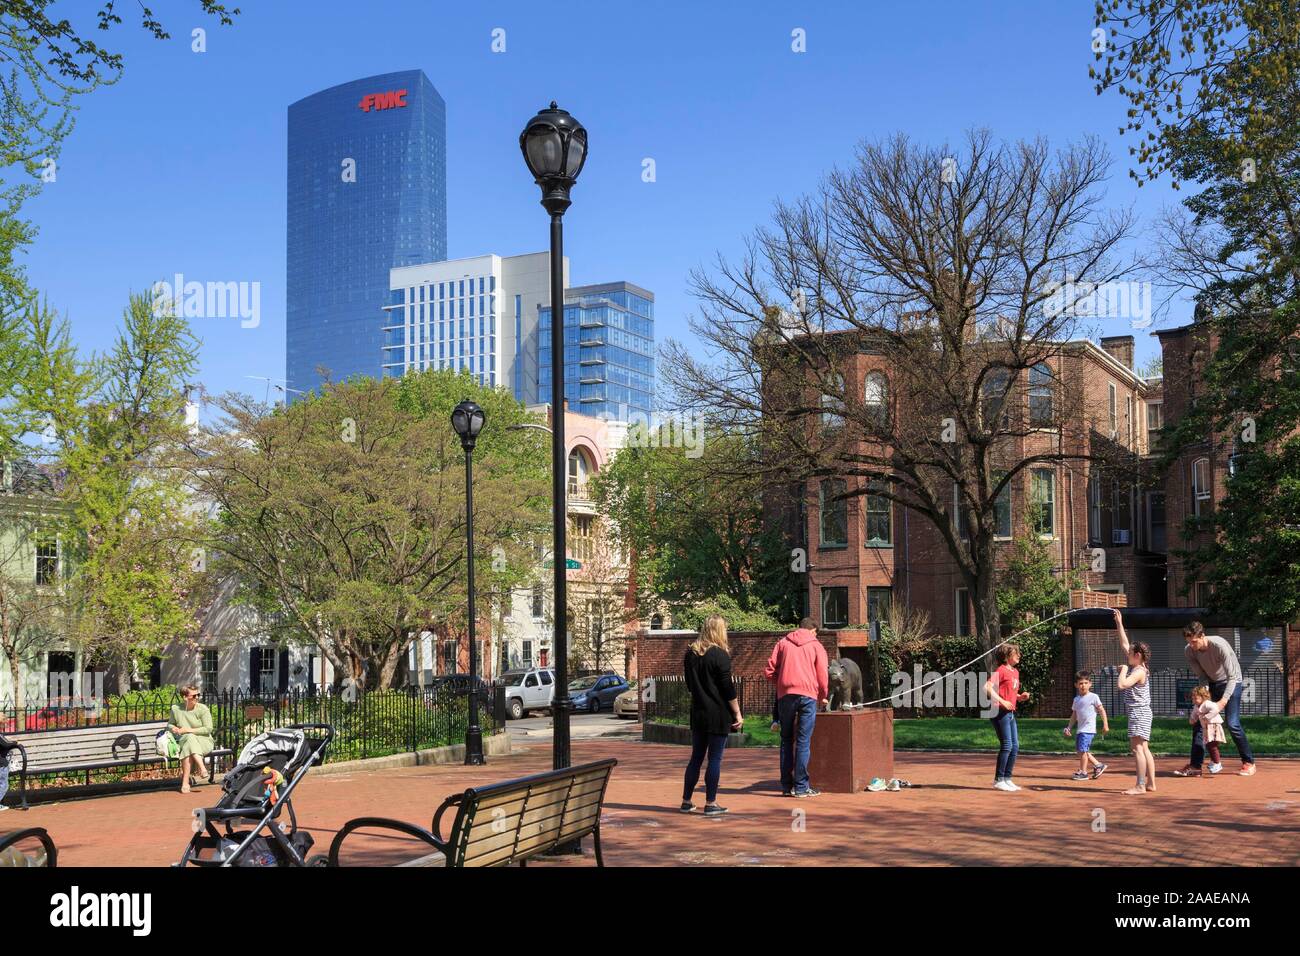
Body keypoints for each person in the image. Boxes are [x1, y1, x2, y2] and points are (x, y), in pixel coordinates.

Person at [680, 615, 742, 816]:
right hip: (718, 713)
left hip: (698, 711)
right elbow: (728, 688)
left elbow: (690, 685)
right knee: (714, 759)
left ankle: (686, 801)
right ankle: (711, 803)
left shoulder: (691, 654)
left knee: (696, 757)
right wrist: (737, 712)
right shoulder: (720, 655)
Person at [1176, 621, 1256, 777]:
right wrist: (1203, 698)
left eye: (1194, 641)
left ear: (1202, 636)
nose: (1191, 645)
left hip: (1232, 682)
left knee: (1232, 723)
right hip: (1211, 683)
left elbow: (1232, 676)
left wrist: (1222, 702)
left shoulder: (1219, 646)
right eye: (1189, 642)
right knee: (1199, 722)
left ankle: (1249, 762)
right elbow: (1202, 676)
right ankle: (1195, 765)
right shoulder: (1189, 651)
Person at [765, 617, 828, 798]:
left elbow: (769, 671)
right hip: (808, 695)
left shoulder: (782, 643)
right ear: (812, 630)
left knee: (786, 739)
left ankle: (786, 786)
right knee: (803, 741)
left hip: (786, 695)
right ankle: (801, 787)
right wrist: (823, 695)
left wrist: (782, 683)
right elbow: (822, 673)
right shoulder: (816, 646)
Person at [1111, 609, 1156, 794]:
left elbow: (1122, 685)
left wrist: (1122, 670)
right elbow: (1125, 644)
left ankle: (1140, 785)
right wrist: (1119, 623)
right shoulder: (1140, 665)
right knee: (1144, 748)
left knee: (1137, 749)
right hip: (1142, 712)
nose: (1126, 653)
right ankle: (1151, 784)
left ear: (1137, 655)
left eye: (1130, 653)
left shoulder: (1138, 671)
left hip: (1139, 712)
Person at [985, 644, 1030, 791]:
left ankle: (1007, 778)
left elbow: (1008, 692)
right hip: (999, 711)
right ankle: (998, 780)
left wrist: (1019, 697)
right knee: (1007, 745)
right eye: (1016, 653)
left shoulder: (1015, 672)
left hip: (1009, 713)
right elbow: (987, 687)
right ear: (1006, 656)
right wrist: (1002, 701)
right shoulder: (1001, 670)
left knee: (1015, 746)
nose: (1019, 655)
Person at [170, 684, 215, 794]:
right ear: (185, 697)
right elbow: (170, 724)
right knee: (189, 740)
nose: (197, 697)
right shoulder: (176, 709)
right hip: (184, 740)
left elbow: (208, 729)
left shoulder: (203, 709)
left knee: (189, 742)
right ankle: (202, 768)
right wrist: (173, 728)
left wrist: (188, 730)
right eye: (194, 696)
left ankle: (185, 783)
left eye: (198, 695)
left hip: (203, 740)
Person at [1065, 670, 1109, 781]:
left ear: (1090, 684)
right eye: (1080, 683)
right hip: (1080, 729)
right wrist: (1069, 727)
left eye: (1085, 683)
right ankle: (1098, 765)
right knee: (1081, 751)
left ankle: (1083, 772)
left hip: (1088, 729)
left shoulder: (1094, 697)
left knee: (1083, 751)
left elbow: (1101, 710)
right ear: (1076, 685)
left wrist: (1105, 724)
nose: (1083, 685)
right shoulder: (1076, 699)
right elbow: (1074, 715)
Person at [1189, 685, 1226, 773]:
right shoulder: (1197, 706)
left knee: (1212, 745)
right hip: (1207, 728)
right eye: (1193, 699)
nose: (1194, 701)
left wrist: (1207, 716)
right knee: (1208, 745)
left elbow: (1215, 709)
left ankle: (1217, 763)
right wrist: (1192, 719)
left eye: (1196, 698)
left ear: (1203, 697)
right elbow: (1194, 714)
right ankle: (1214, 761)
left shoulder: (1207, 703)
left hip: (1214, 726)